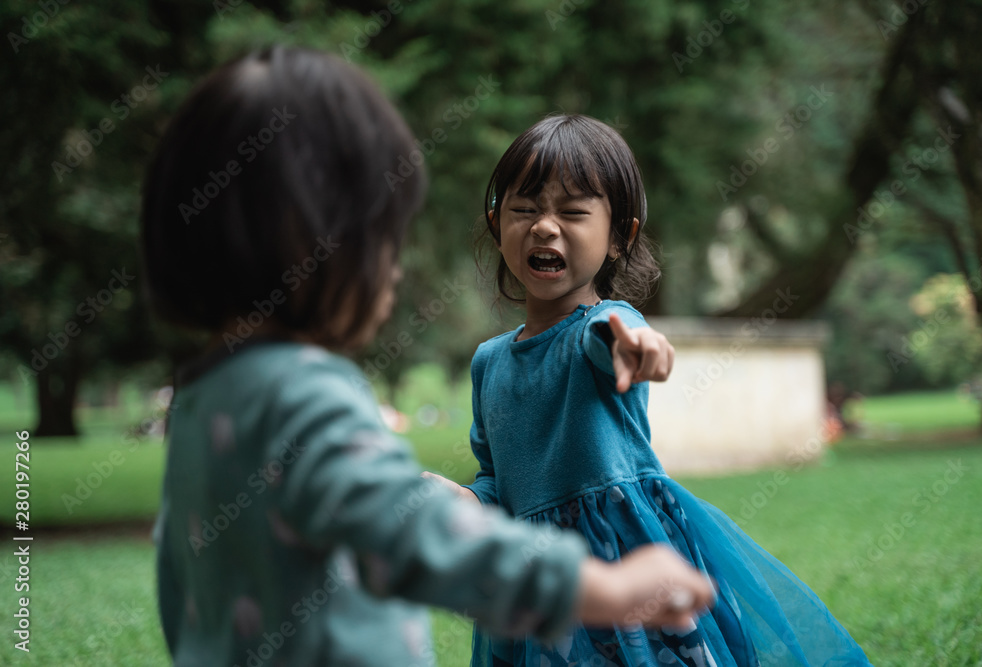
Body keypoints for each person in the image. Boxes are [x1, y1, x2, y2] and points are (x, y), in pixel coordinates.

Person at [140, 48, 716, 667]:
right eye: (384, 236)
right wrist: (603, 588)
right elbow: (419, 537)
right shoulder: (309, 396)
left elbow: (180, 579)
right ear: (316, 246)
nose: (394, 267)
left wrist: (623, 339)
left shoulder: (200, 400)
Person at [424, 115, 873, 666]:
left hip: (627, 563)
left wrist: (634, 346)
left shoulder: (607, 324)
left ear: (619, 238)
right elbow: (498, 483)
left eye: (572, 211)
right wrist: (464, 498)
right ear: (498, 225)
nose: (544, 226)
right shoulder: (489, 362)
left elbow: (611, 335)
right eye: (524, 209)